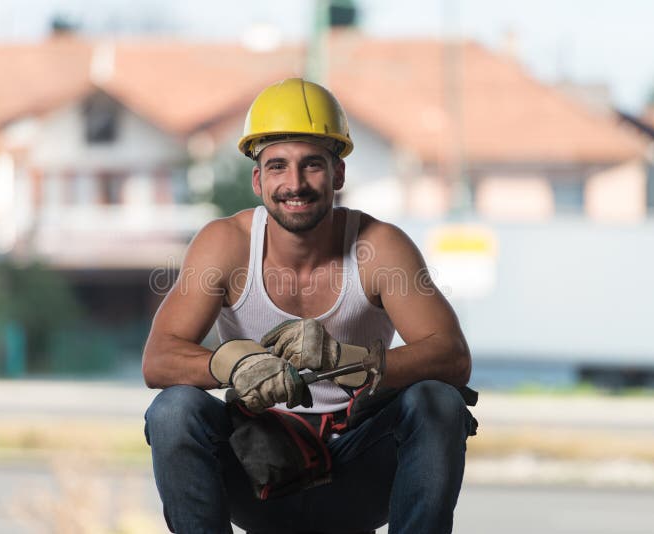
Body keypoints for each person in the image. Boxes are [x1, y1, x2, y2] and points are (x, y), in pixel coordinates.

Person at [142, 78, 475, 534]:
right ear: (258, 180)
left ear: (338, 174)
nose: (294, 183)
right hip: (259, 465)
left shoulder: (380, 247)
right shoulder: (226, 244)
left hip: (358, 470)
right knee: (173, 411)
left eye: (312, 165)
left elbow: (453, 357)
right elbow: (158, 359)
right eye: (277, 166)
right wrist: (235, 364)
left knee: (438, 400)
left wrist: (349, 361)